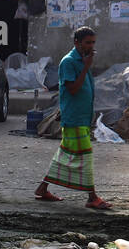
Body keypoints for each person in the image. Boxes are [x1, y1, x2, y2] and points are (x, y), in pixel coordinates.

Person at [34, 26, 112, 210]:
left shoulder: (82, 60)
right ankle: (92, 197)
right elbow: (73, 89)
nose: (91, 46)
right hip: (74, 118)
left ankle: (42, 188)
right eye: (87, 43)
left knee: (65, 155)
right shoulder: (69, 62)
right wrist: (86, 67)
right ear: (76, 43)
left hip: (81, 117)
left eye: (93, 43)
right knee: (84, 157)